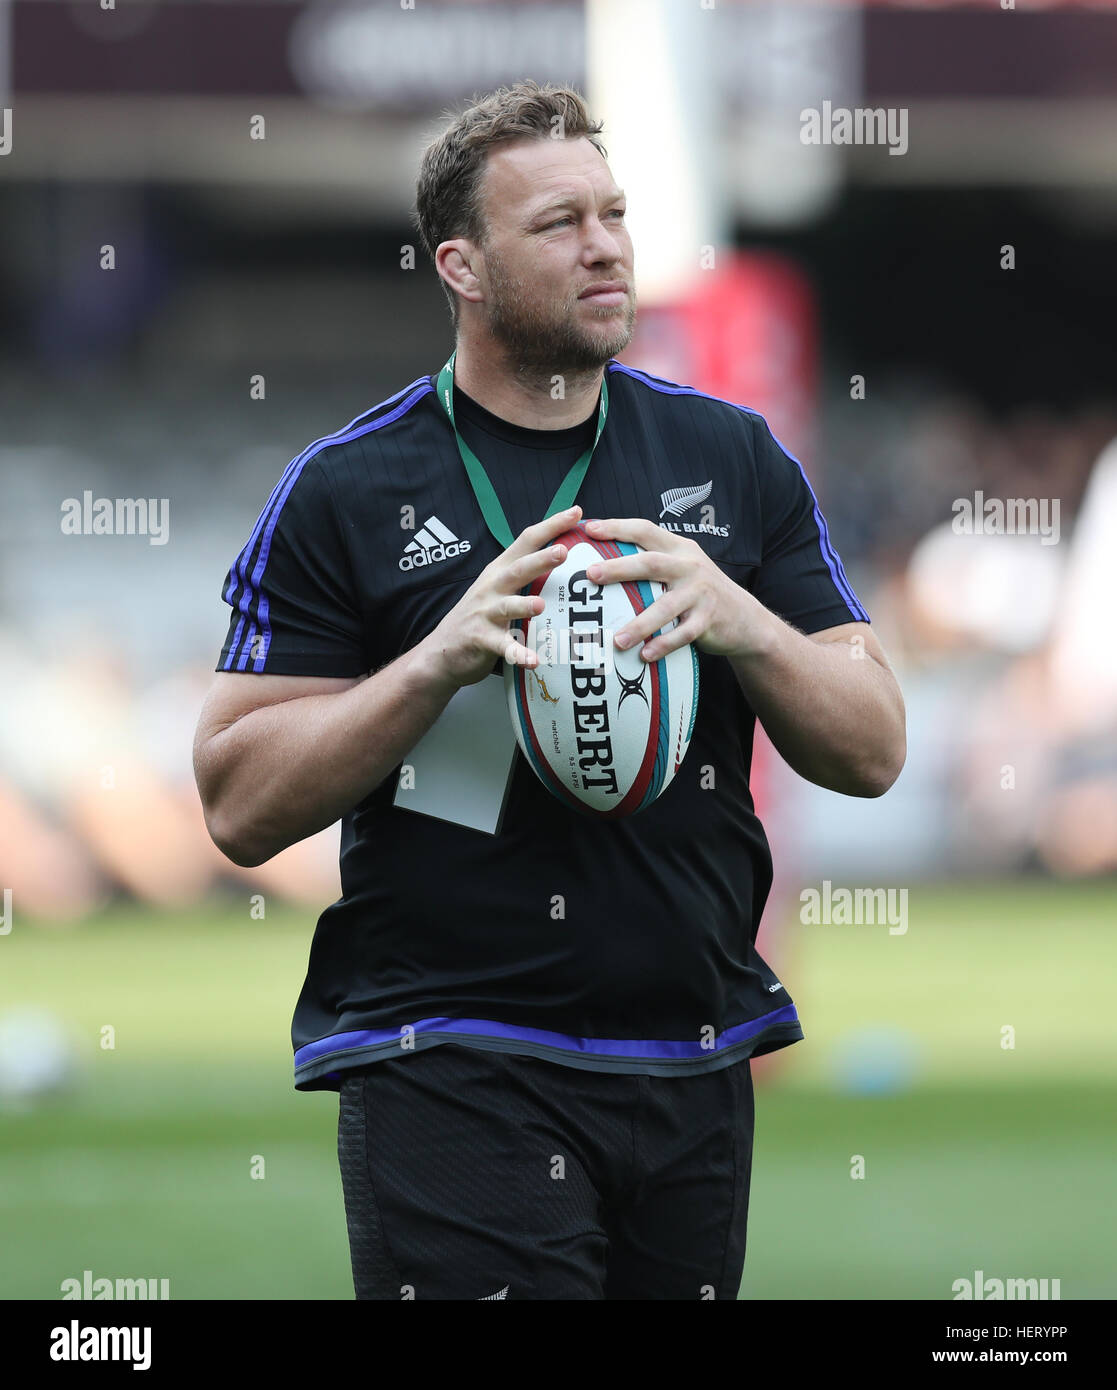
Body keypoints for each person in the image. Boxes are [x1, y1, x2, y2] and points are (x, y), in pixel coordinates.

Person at [193, 80, 905, 1301]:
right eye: (559, 223)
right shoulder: (349, 488)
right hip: (453, 1053)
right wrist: (433, 665)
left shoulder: (728, 456)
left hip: (691, 1047)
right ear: (461, 266)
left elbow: (872, 745)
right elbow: (237, 801)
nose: (604, 246)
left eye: (614, 213)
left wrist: (743, 626)